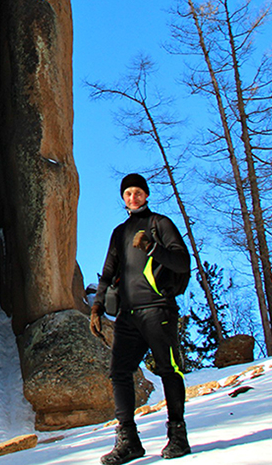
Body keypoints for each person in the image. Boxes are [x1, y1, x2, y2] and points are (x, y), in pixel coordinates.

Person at [90, 173, 191, 463]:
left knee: (168, 370)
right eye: (128, 193)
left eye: (137, 192)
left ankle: (178, 436)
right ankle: (129, 441)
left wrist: (152, 247)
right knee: (119, 372)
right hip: (128, 315)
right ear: (123, 198)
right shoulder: (119, 233)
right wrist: (97, 308)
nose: (133, 198)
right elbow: (108, 273)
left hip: (158, 309)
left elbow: (182, 262)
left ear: (146, 195)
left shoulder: (160, 224)